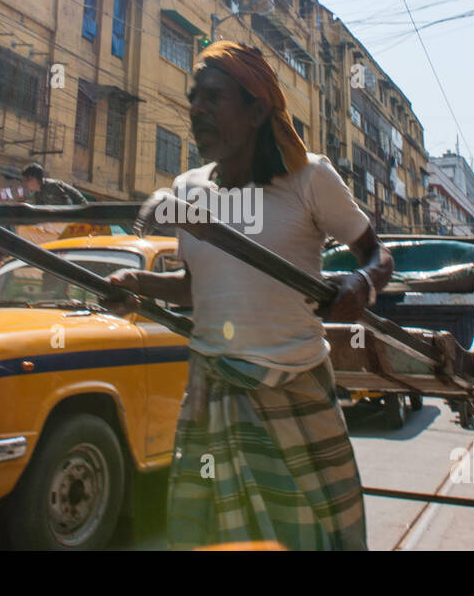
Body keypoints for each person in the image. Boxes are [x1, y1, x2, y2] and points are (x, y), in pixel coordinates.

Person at [103, 41, 391, 550]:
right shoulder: (187, 189)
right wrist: (138, 285)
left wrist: (360, 284)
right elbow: (196, 287)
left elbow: (377, 255)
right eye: (194, 97)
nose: (196, 109)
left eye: (213, 98)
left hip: (295, 391)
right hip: (210, 391)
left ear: (257, 110)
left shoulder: (310, 178)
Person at [20, 162, 86, 205]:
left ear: (33, 179)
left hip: (81, 213)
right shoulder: (37, 194)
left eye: (26, 180)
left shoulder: (52, 186)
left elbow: (67, 205)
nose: (24, 183)